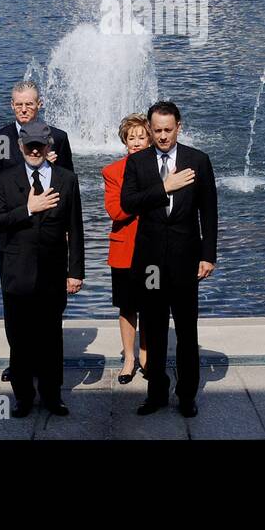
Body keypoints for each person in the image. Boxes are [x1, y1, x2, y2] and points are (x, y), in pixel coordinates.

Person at [120, 100, 218, 418]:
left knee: (188, 331)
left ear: (179, 126)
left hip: (186, 259)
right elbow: (129, 203)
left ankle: (186, 394)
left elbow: (209, 212)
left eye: (168, 129)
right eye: (157, 130)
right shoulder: (139, 162)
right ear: (149, 129)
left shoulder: (198, 160)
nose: (162, 136)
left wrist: (208, 255)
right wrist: (165, 187)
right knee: (155, 327)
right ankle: (156, 393)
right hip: (149, 262)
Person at [0, 120, 84, 418]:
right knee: (19, 339)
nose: (33, 150)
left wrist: (75, 272)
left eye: (39, 145)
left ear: (48, 146)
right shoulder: (6, 180)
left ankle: (52, 397)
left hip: (52, 273)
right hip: (17, 272)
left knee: (51, 337)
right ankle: (23, 398)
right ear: (19, 146)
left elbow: (76, 229)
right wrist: (29, 208)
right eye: (28, 145)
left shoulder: (67, 179)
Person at [0, 80, 75, 382]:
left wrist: (50, 170)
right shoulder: (0, 139)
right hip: (11, 235)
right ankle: (19, 360)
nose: (24, 109)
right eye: (19, 104)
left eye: (29, 104)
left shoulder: (57, 138)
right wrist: (29, 171)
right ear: (12, 105)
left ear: (40, 104)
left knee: (48, 302)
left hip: (48, 237)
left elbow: (69, 185)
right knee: (15, 302)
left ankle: (46, 363)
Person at [101, 113, 151, 384]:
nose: (136, 142)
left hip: (154, 249)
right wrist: (146, 199)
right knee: (127, 306)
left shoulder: (161, 168)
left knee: (151, 305)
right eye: (131, 137)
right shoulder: (112, 172)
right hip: (125, 250)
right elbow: (115, 211)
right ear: (124, 141)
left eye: (141, 137)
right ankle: (129, 359)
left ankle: (146, 356)